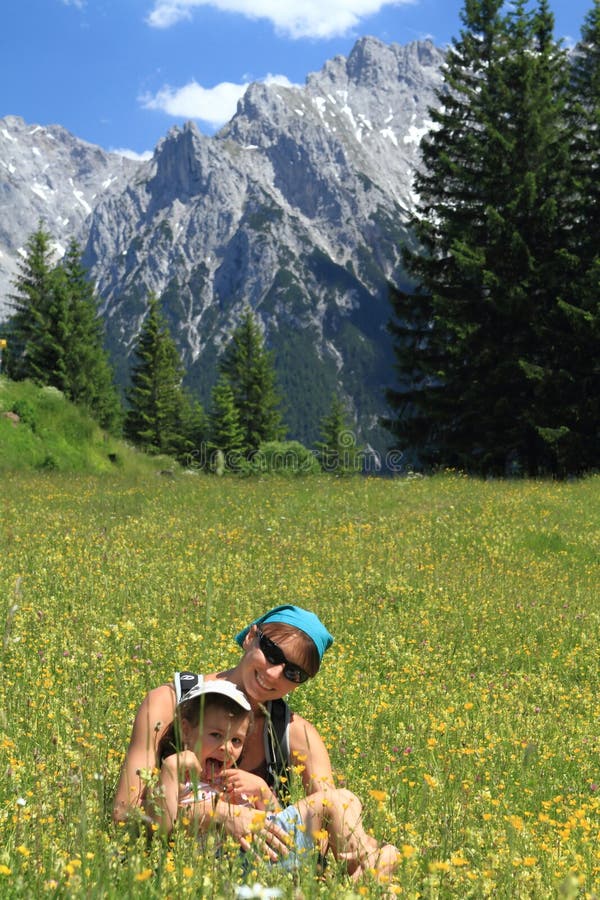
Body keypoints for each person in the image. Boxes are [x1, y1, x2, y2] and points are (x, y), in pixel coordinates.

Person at [113, 605, 336, 859]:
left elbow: (331, 826)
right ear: (251, 638)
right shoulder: (167, 703)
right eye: (272, 653)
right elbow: (124, 811)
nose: (274, 674)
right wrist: (216, 815)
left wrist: (380, 851)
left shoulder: (297, 734)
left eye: (294, 673)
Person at [147, 678, 400, 882]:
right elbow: (161, 826)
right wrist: (170, 772)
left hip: (269, 858)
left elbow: (280, 828)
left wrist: (264, 794)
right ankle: (369, 870)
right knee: (337, 800)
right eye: (215, 735)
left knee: (345, 802)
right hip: (232, 867)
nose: (227, 748)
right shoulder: (179, 778)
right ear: (186, 730)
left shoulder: (237, 783)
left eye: (236, 741)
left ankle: (364, 874)